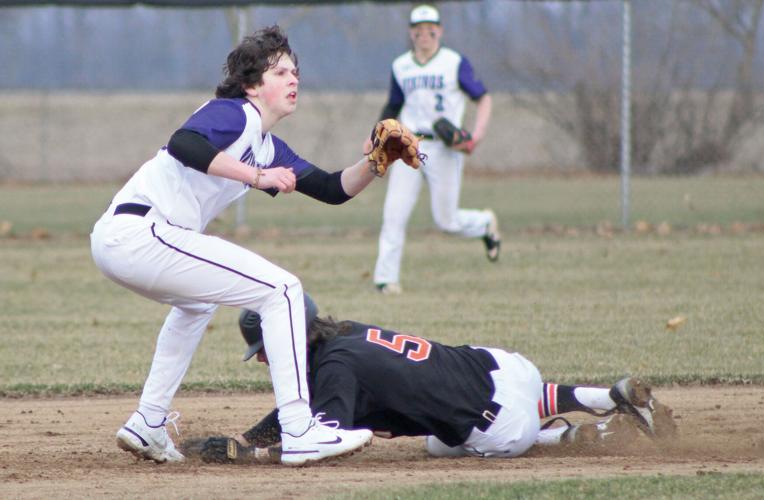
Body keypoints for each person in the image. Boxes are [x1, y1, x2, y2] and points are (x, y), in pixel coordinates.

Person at [89, 25, 399, 466]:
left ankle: (148, 423)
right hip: (143, 232)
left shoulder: (267, 146)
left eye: (295, 71)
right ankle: (299, 429)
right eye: (280, 72)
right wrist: (257, 178)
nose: (293, 79)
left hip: (129, 238)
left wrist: (374, 162)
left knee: (196, 306)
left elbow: (332, 189)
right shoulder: (236, 113)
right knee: (283, 291)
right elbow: (184, 143)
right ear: (253, 85)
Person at [183, 307, 676, 463]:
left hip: (503, 426)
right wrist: (247, 436)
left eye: (265, 350)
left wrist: (248, 454)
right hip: (502, 365)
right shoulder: (343, 333)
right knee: (503, 389)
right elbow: (302, 406)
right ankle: (605, 396)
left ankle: (585, 436)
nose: (265, 361)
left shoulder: (334, 371)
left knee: (440, 446)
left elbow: (315, 439)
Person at [371, 4, 499, 295]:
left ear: (439, 31)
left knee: (447, 221)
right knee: (394, 213)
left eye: (430, 29)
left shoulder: (454, 62)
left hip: (444, 148)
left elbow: (484, 98)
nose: (424, 35)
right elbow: (393, 106)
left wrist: (477, 134)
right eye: (418, 30)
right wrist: (374, 136)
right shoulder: (401, 65)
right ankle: (385, 280)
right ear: (411, 33)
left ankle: (484, 223)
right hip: (408, 144)